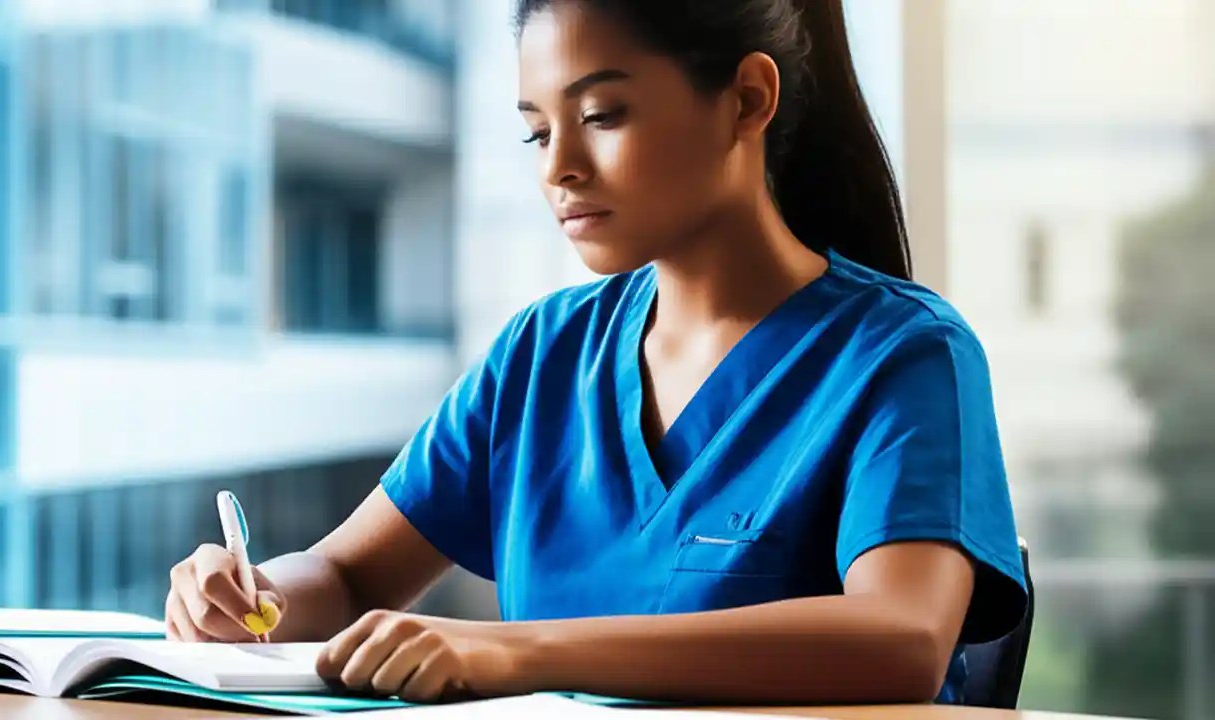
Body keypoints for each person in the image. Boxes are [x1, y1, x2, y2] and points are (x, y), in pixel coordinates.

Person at [165, 0, 1028, 706]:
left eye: (602, 116)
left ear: (747, 100)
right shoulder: (541, 355)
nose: (561, 168)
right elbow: (348, 577)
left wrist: (522, 652)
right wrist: (256, 599)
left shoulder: (905, 357)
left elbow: (901, 640)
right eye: (538, 133)